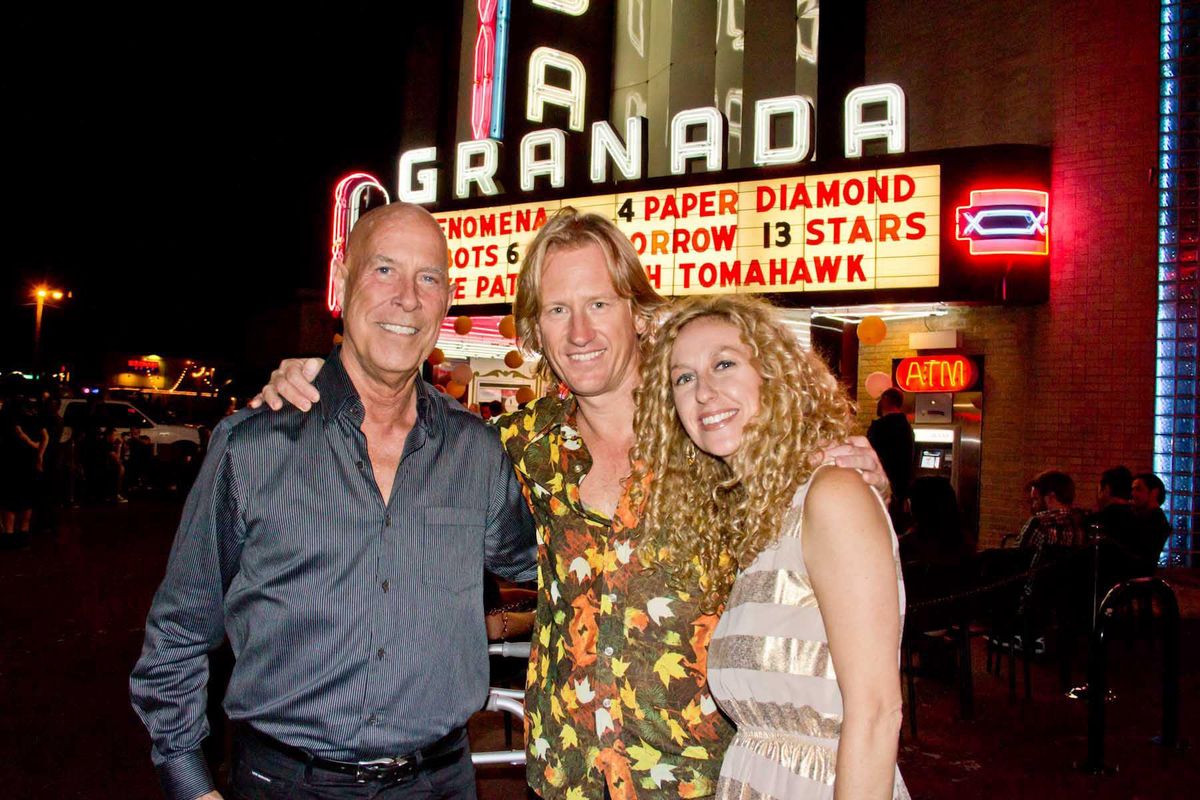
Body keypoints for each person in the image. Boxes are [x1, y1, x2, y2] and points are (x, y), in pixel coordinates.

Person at [258, 207, 888, 799]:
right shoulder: (511, 446)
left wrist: (865, 481)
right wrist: (317, 379)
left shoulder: (714, 423)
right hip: (566, 775)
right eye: (559, 309)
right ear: (536, 328)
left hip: (703, 777)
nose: (580, 332)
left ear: (637, 312)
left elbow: (831, 540)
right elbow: (397, 434)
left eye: (597, 304)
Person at [131, 203, 536, 800]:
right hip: (284, 783)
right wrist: (192, 786)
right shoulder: (254, 444)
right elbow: (178, 634)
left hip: (440, 783)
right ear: (342, 284)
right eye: (384, 271)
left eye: (429, 278)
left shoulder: (476, 452)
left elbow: (553, 564)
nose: (407, 298)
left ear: (446, 301)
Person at [629, 295, 907, 799]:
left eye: (724, 364)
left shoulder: (832, 495)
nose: (704, 392)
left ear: (773, 376)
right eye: (683, 378)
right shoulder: (755, 519)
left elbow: (877, 713)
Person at [866, 387, 914, 526]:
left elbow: (873, 458)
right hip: (900, 489)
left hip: (881, 487)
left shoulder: (881, 427)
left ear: (886, 400)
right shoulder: (906, 426)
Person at [1015, 469, 1086, 549]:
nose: (1033, 505)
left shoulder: (1039, 523)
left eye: (1035, 499)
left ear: (1050, 497)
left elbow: (1017, 557)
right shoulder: (1080, 525)